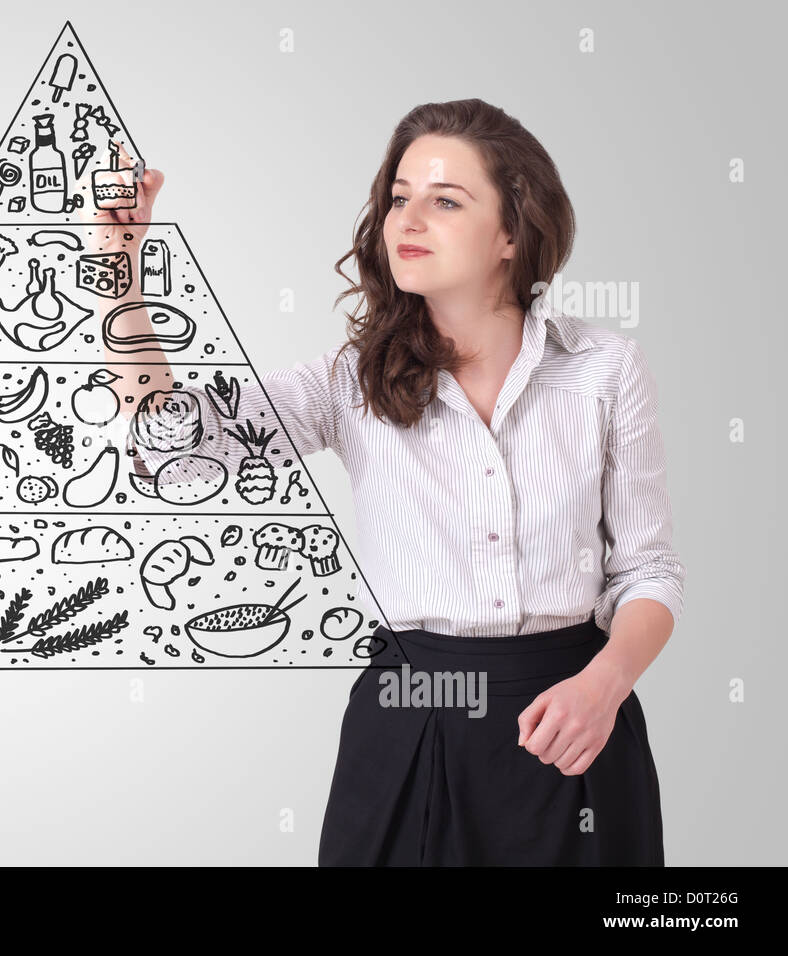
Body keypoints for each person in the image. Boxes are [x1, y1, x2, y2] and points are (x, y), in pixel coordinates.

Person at [84, 98, 685, 866]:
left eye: (445, 201)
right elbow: (170, 446)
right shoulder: (349, 383)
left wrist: (603, 687)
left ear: (513, 232)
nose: (407, 219)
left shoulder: (605, 370)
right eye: (399, 197)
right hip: (410, 724)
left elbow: (648, 570)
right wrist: (120, 266)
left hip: (573, 723)